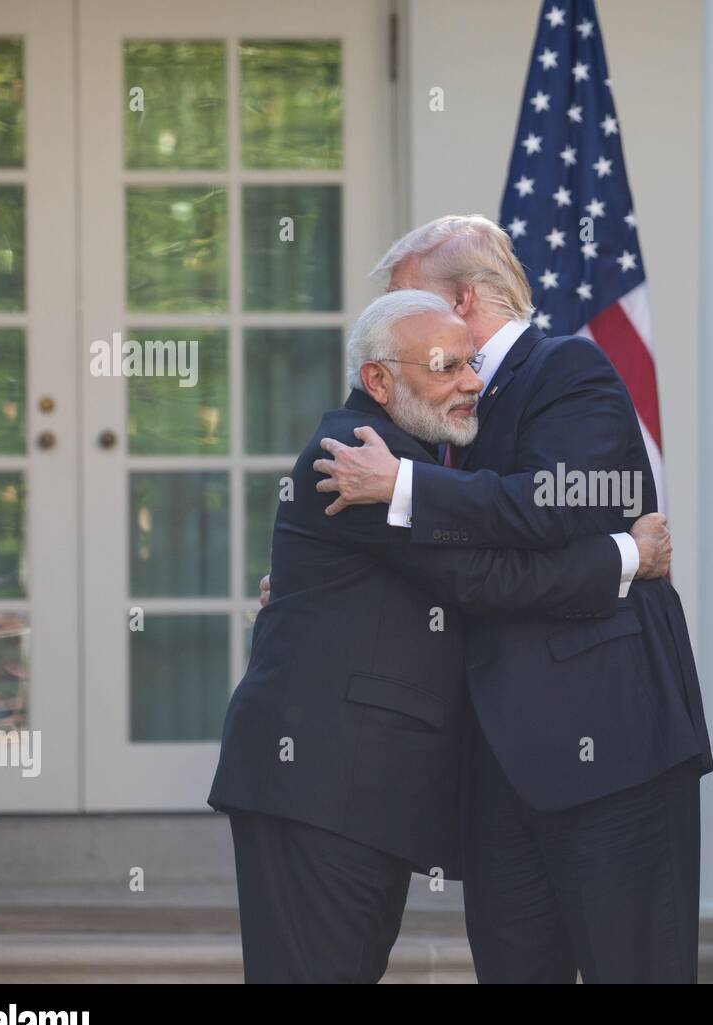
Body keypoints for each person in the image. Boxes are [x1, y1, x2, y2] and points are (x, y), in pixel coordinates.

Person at [208, 289, 672, 982]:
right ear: (379, 381)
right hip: (319, 788)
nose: (470, 383)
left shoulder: (410, 459)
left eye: (469, 364)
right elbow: (487, 576)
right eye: (445, 367)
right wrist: (627, 557)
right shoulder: (360, 460)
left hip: (357, 798)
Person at [313, 216, 713, 983]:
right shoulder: (427, 406)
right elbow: (454, 566)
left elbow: (549, 507)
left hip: (610, 744)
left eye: (403, 306)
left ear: (461, 302)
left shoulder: (571, 371)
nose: (386, 330)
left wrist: (406, 486)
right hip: (493, 764)